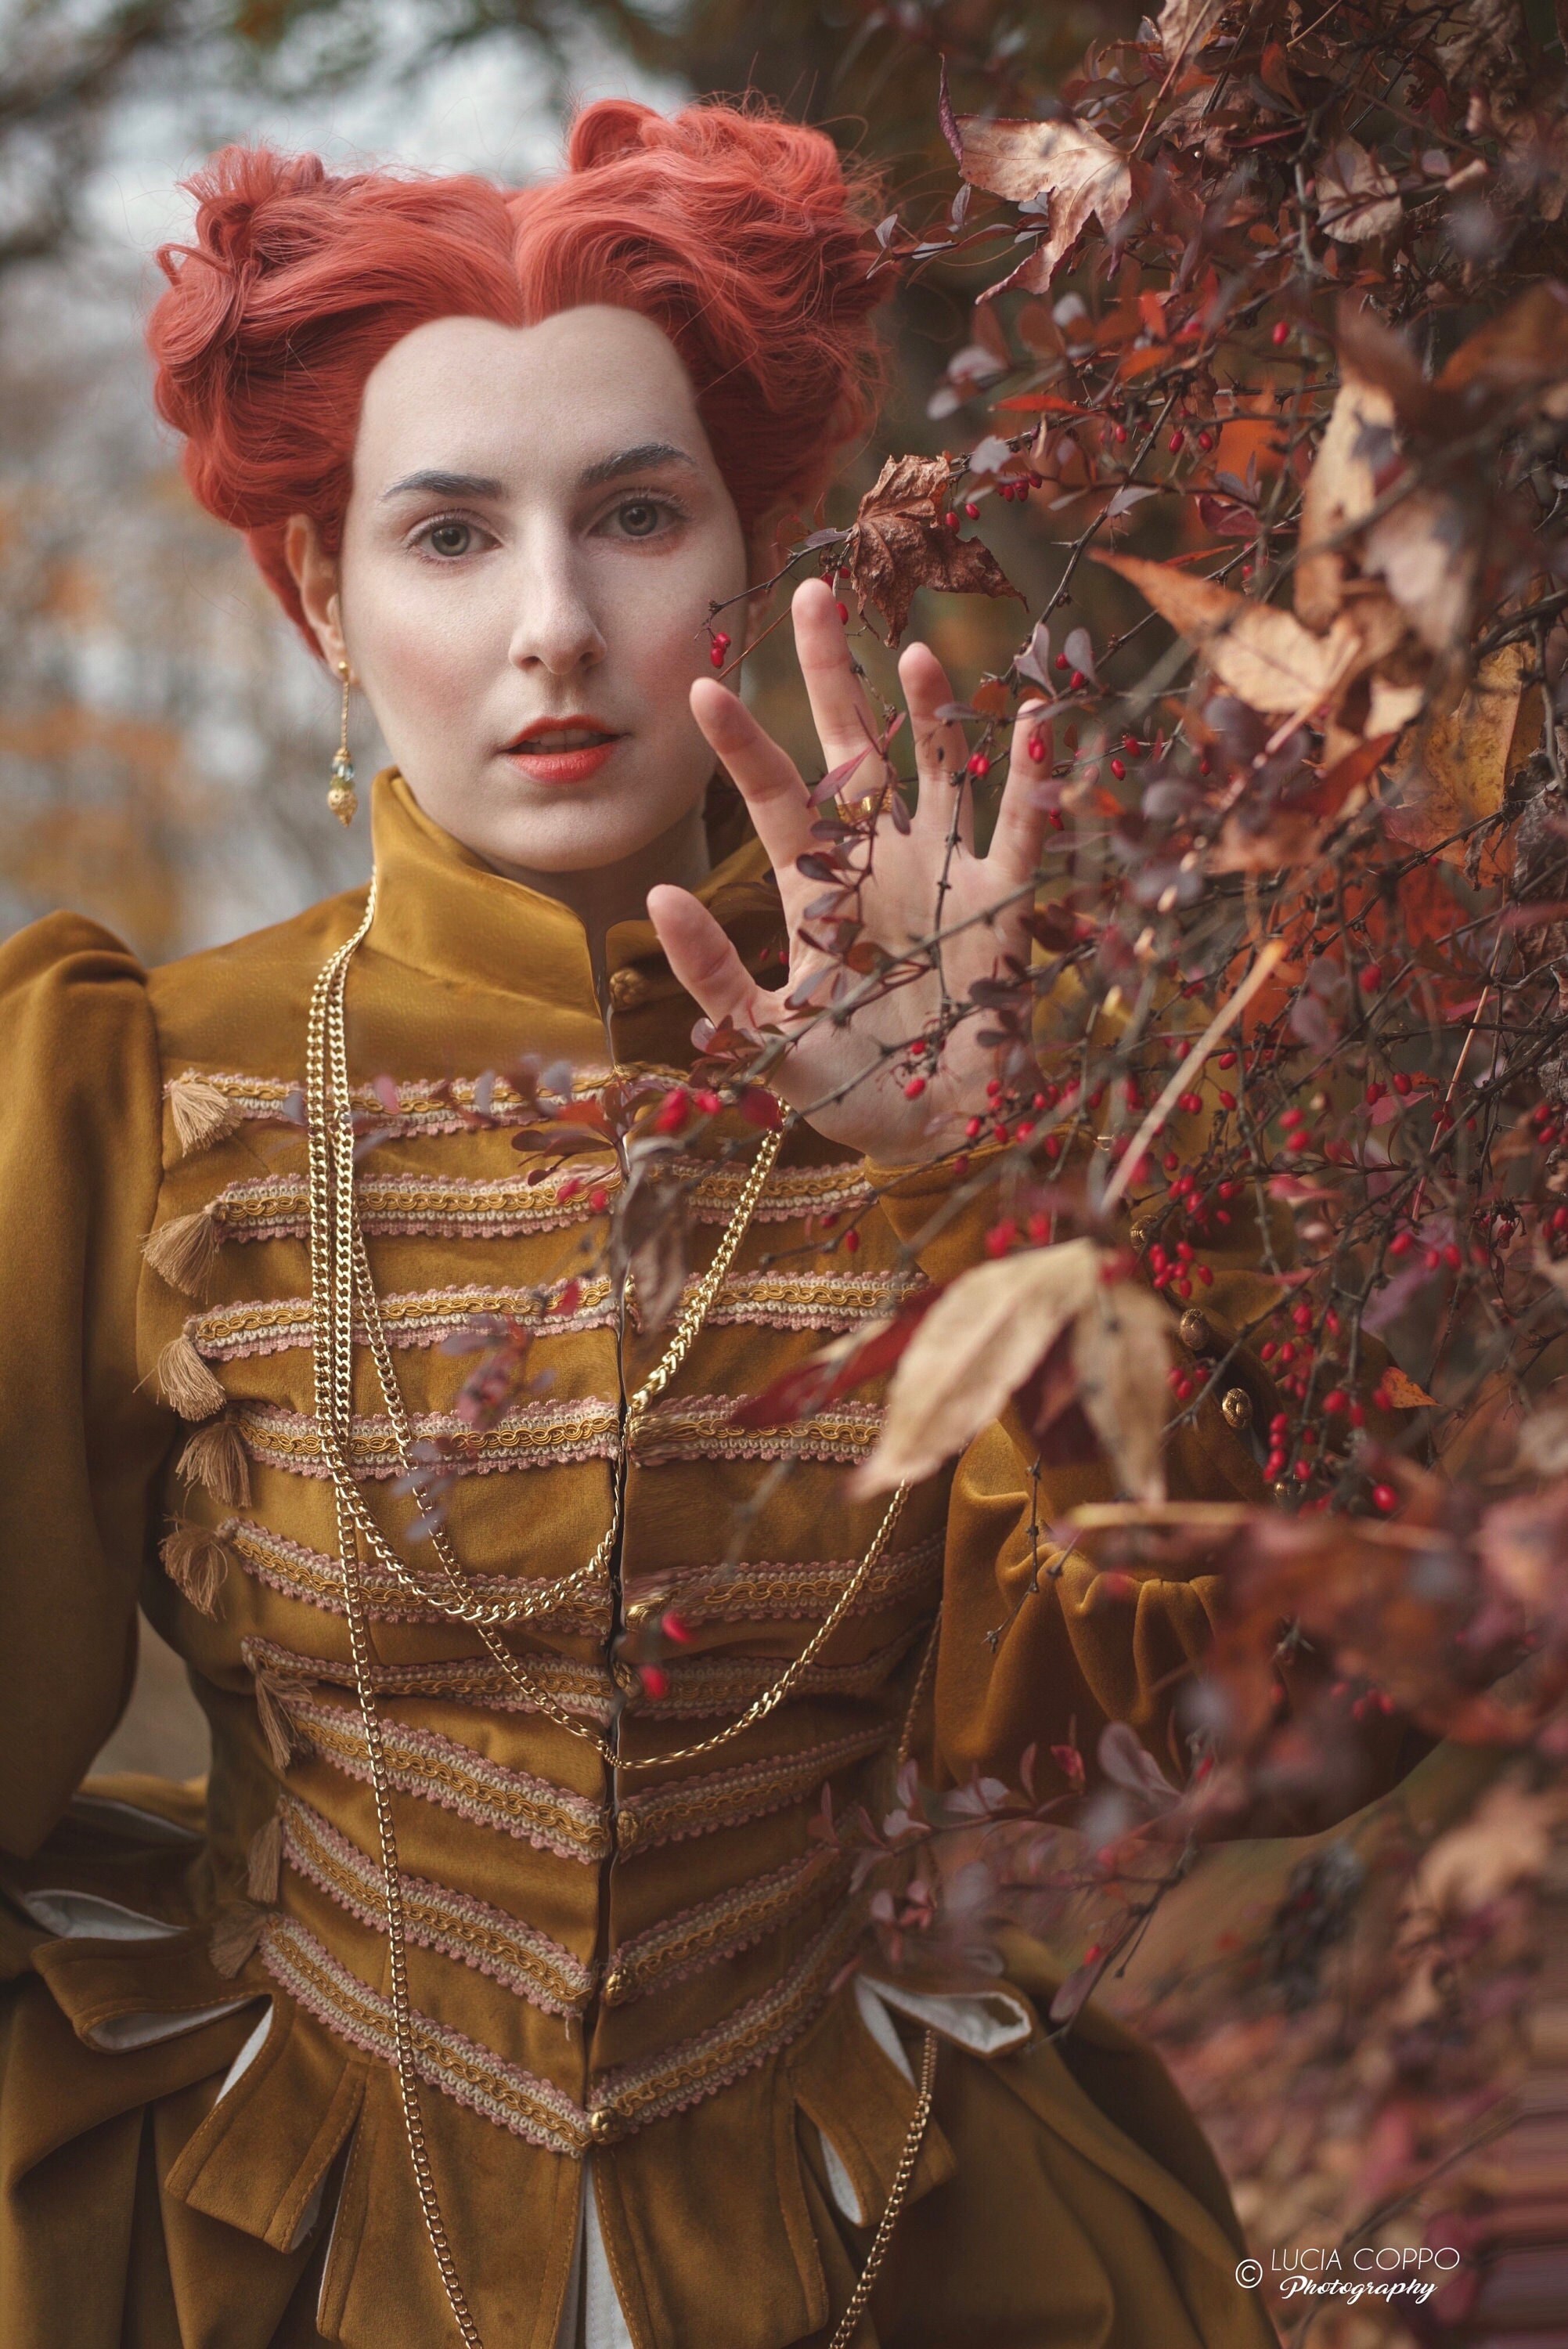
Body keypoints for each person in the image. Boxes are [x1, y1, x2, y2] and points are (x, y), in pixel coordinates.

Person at [0, 97, 1408, 2349]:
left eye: (637, 517)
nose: (555, 627)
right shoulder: (134, 1087)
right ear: (324, 601)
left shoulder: (1017, 1073)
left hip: (899, 2244)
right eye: (448, 537)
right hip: (259, 2243)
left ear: (760, 562)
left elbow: (1311, 1716)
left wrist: (985, 1184)